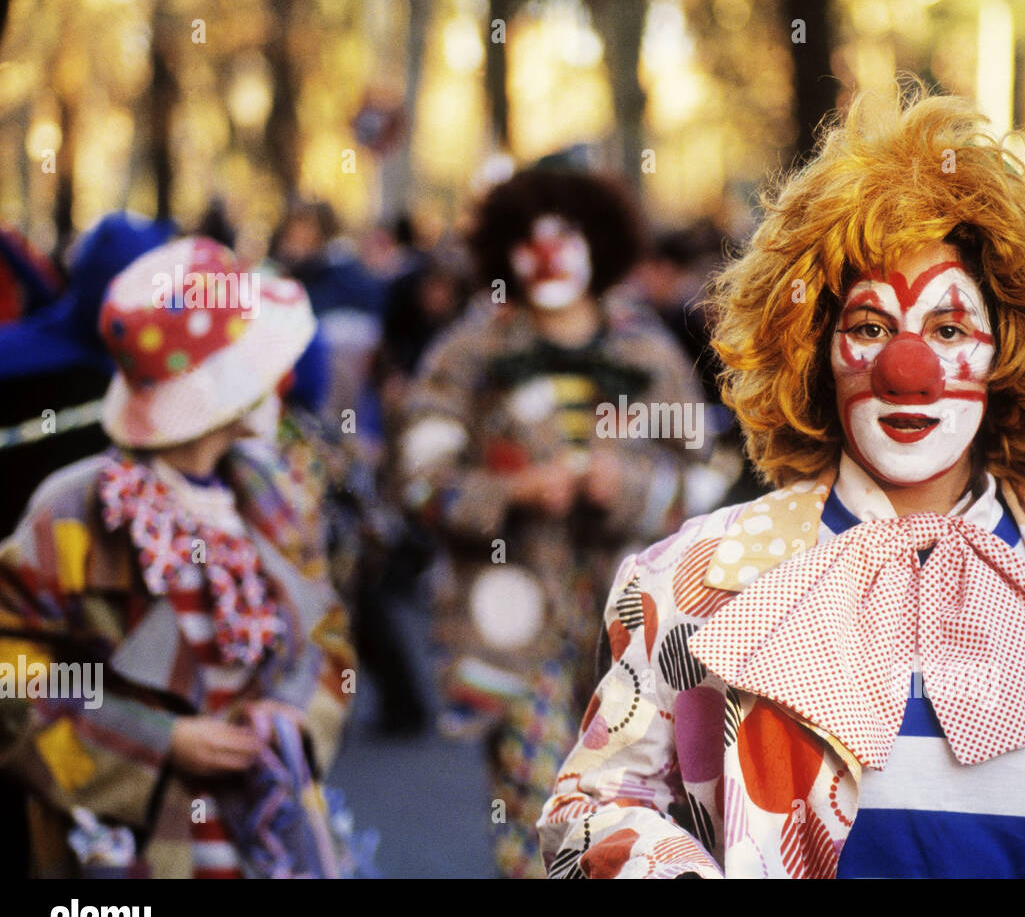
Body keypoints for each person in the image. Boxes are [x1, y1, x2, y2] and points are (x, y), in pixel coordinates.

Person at [537, 90, 1025, 878]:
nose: (910, 370)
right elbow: (587, 812)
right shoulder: (689, 591)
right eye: (870, 328)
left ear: (1009, 353)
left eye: (949, 329)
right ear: (813, 349)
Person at [0, 236, 356, 877]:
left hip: (273, 844)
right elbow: (12, 678)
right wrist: (156, 742)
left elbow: (326, 633)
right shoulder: (77, 511)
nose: (284, 379)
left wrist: (296, 718)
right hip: (134, 859)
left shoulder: (277, 495)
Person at [397, 165, 708, 877]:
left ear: (598, 244)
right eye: (529, 242)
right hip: (512, 632)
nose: (546, 258)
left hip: (633, 634)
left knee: (633, 812)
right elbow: (419, 484)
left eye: (564, 238)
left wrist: (626, 488)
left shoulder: (649, 355)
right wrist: (512, 493)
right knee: (537, 819)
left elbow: (706, 486)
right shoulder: (470, 355)